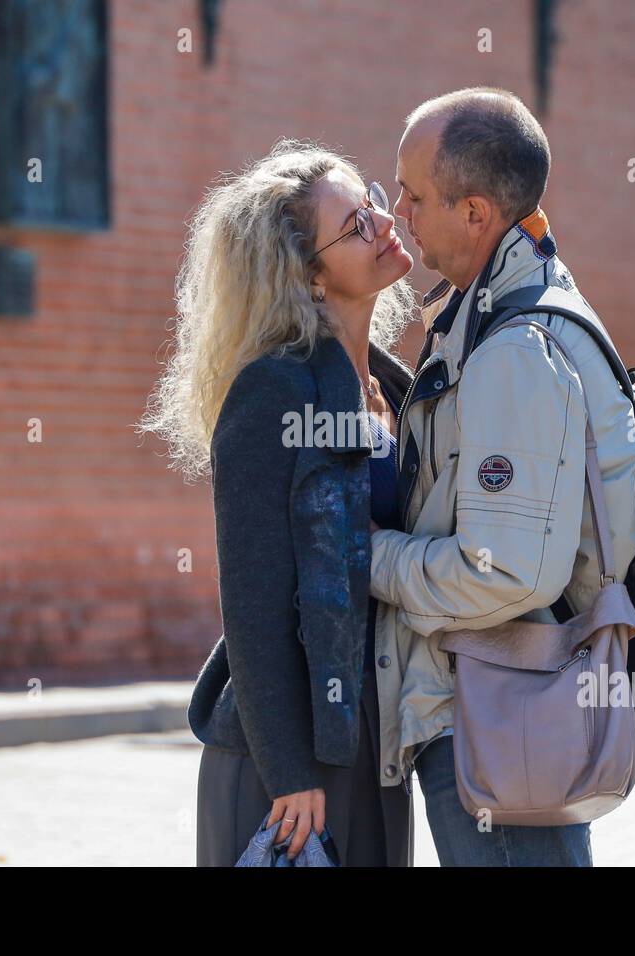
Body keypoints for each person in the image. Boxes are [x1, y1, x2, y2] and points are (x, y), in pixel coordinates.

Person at [368, 88, 635, 866]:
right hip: (505, 713)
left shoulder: (516, 349)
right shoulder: (502, 313)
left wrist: (373, 558)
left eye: (415, 196)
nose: (401, 215)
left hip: (497, 722)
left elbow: (509, 571)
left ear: (477, 214)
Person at [139, 140, 418, 865]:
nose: (384, 224)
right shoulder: (273, 393)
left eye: (376, 205)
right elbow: (254, 601)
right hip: (289, 765)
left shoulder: (403, 391)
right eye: (356, 224)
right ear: (310, 276)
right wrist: (290, 774)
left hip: (374, 740)